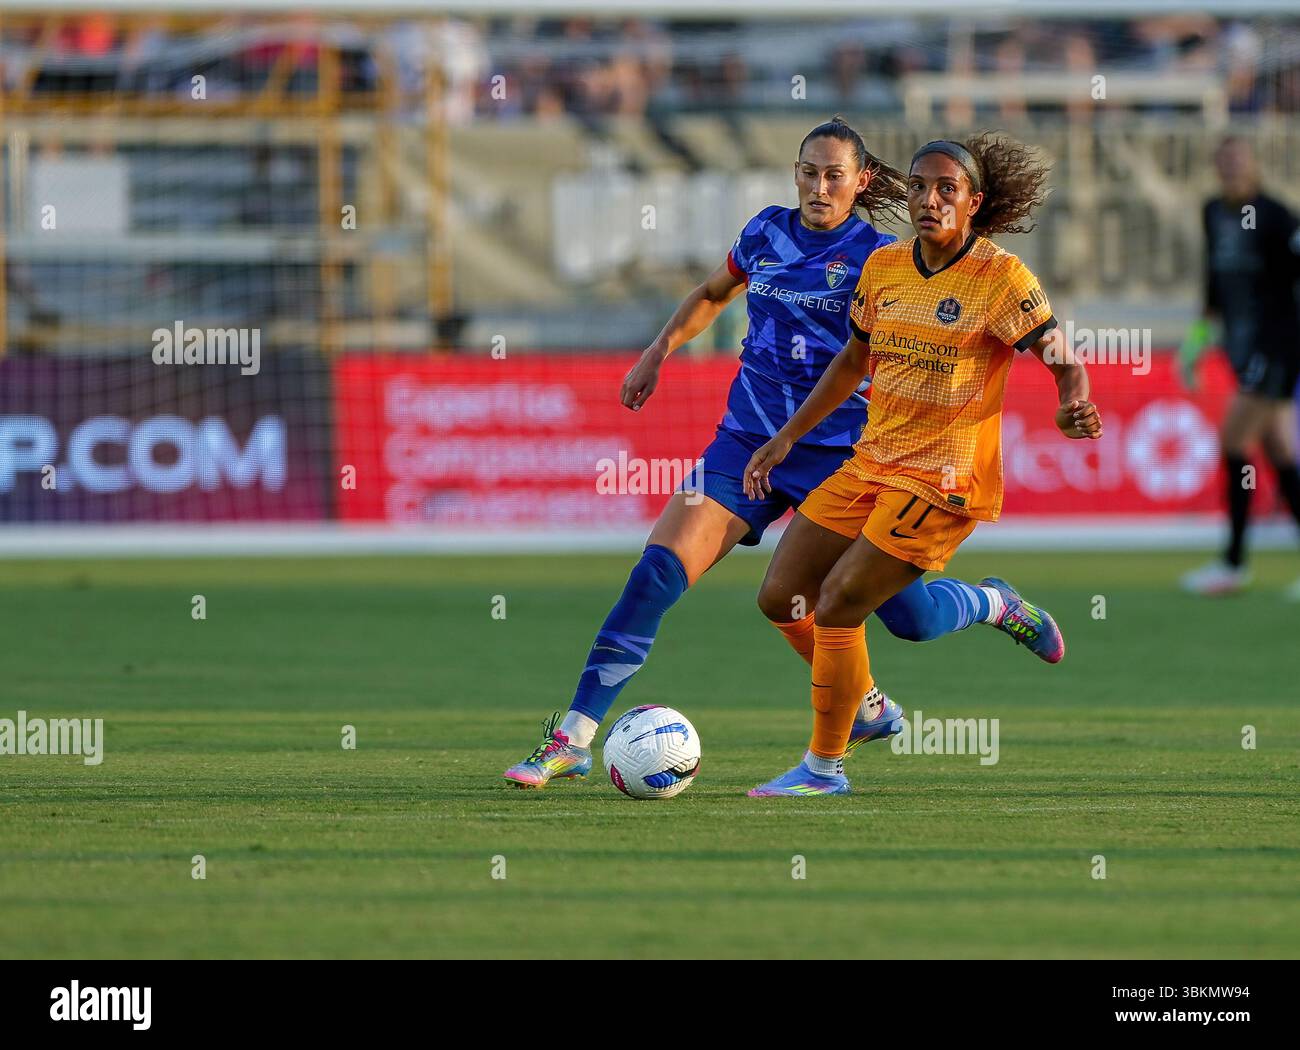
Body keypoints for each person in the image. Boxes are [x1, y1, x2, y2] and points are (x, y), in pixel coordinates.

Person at [503, 121, 1068, 790]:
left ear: (861, 183)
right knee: (655, 574)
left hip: (847, 455)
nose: (819, 185)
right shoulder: (764, 233)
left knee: (908, 620)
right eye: (808, 171)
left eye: (835, 174)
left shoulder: (883, 257)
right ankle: (573, 737)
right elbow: (714, 293)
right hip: (746, 442)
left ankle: (992, 605)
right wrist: (659, 350)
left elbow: (920, 324)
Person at [742, 135, 1103, 798]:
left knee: (840, 602)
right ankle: (997, 604)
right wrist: (786, 438)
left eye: (945, 189)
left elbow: (1062, 357)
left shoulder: (1000, 277)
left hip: (945, 478)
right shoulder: (884, 269)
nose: (928, 200)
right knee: (789, 597)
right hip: (872, 464)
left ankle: (823, 769)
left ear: (973, 202)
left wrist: (1073, 401)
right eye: (917, 187)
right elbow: (852, 361)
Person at [1179, 136, 1300, 598]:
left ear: (1253, 166)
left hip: (1277, 346)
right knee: (1281, 454)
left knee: (1233, 440)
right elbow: (1215, 282)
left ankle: (1233, 564)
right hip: (1242, 349)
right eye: (1224, 160)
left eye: (1239, 160)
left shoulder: (1275, 216)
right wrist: (1196, 342)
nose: (1231, 168)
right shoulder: (1213, 212)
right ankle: (1233, 563)